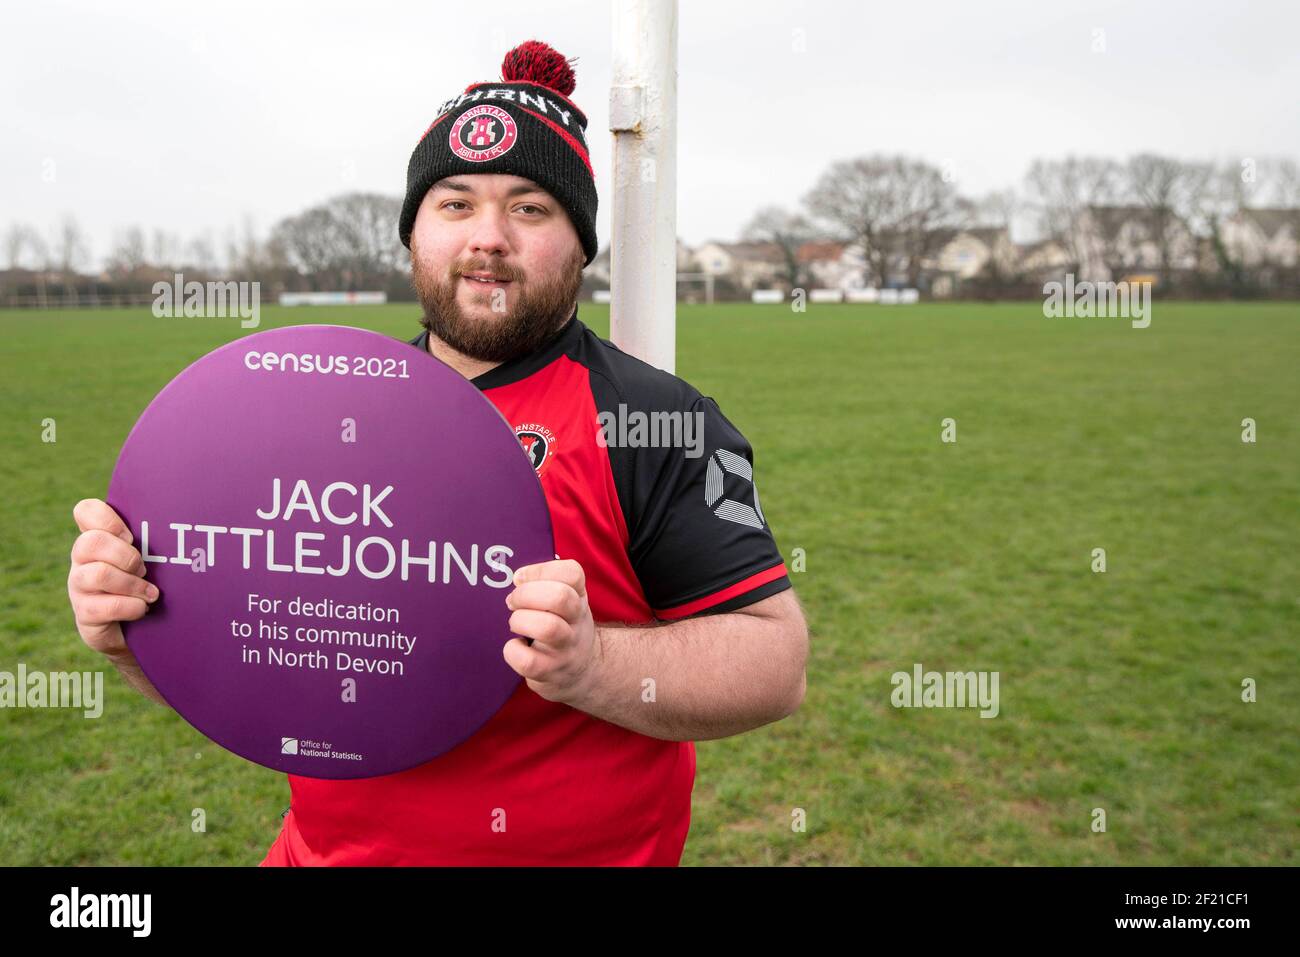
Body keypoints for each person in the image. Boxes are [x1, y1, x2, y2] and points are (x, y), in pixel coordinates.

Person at [67, 39, 808, 866]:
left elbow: (774, 661)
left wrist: (596, 665)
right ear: (413, 233)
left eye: (530, 208)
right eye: (455, 205)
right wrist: (135, 634)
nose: (488, 238)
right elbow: (251, 677)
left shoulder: (649, 417)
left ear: (579, 242)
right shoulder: (320, 408)